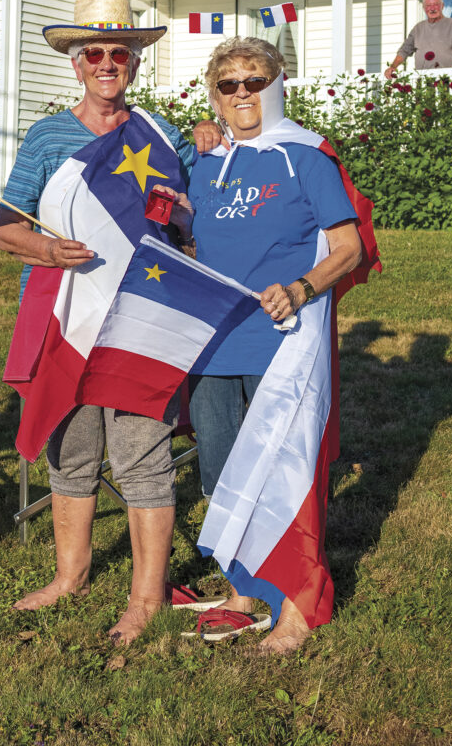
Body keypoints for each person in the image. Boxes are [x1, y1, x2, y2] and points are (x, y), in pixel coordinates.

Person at [0, 0, 219, 645]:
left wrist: (209, 141)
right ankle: (71, 578)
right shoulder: (46, 136)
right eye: (94, 52)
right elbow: (6, 227)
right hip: (65, 313)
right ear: (76, 62)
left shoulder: (160, 133)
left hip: (140, 314)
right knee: (72, 449)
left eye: (119, 52)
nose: (107, 63)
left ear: (135, 63)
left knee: (140, 453)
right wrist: (45, 248)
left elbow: (198, 209)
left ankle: (145, 599)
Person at [162, 36, 364, 653]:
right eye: (229, 85)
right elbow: (182, 228)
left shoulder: (307, 158)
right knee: (223, 473)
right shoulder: (203, 159)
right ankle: (244, 594)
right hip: (213, 341)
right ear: (214, 96)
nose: (243, 93)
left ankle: (299, 607)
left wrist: (304, 287)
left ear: (277, 85)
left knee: (287, 471)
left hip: (284, 341)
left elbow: (348, 246)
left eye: (255, 81)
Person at [384, 0, 452, 78]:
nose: (432, 8)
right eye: (428, 5)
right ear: (424, 8)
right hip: (422, 80)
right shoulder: (418, 28)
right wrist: (392, 67)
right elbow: (404, 50)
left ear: (442, 6)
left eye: (436, 4)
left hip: (447, 79)